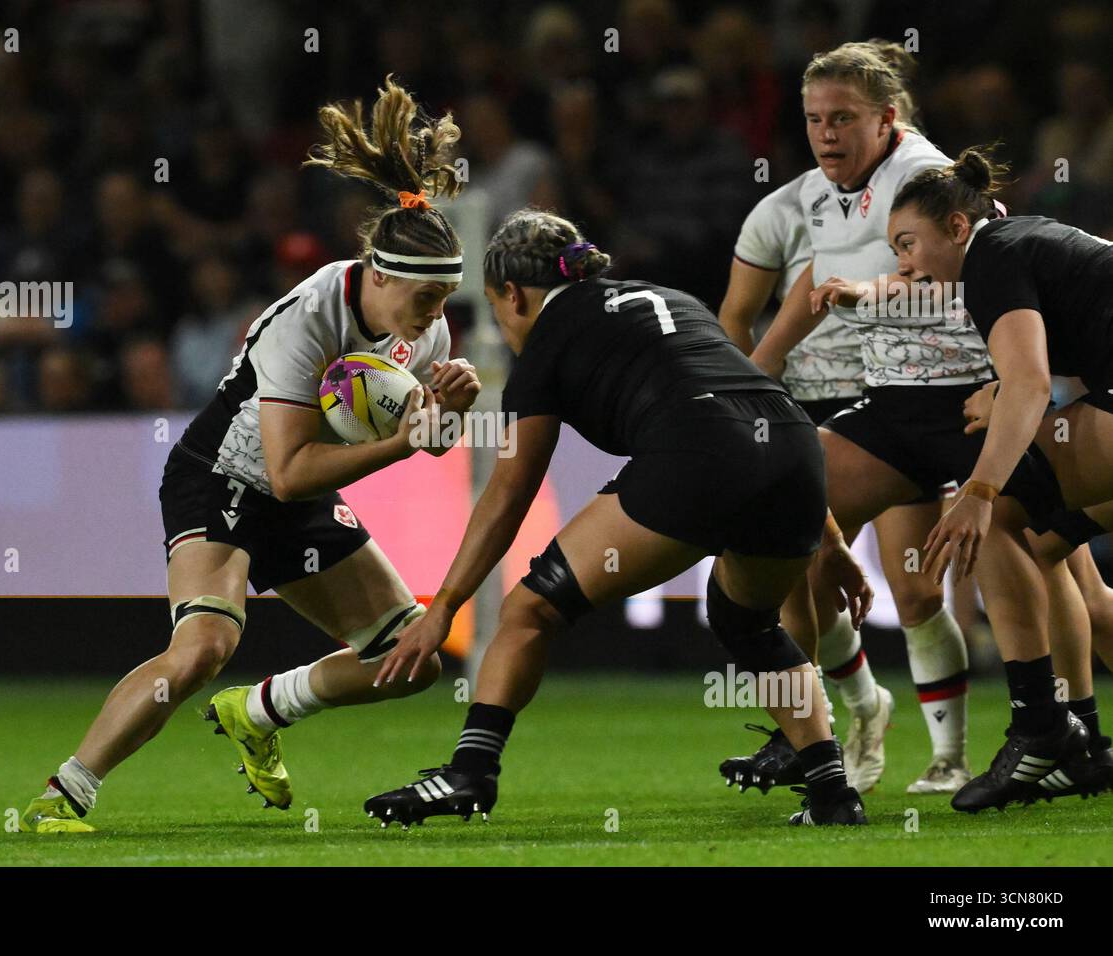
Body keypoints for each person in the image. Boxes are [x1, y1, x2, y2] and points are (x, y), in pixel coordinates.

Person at [19, 78, 482, 832]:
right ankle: (63, 792)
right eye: (428, 300)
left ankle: (260, 710)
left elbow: (398, 439)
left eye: (444, 303)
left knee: (413, 658)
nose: (437, 320)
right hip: (222, 477)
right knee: (204, 646)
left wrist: (443, 419)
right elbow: (292, 464)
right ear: (384, 274)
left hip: (294, 494)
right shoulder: (308, 319)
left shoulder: (423, 332)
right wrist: (406, 441)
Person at [363, 210, 874, 829]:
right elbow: (748, 404)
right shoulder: (671, 298)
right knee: (750, 623)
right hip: (795, 451)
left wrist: (444, 606)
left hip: (697, 453)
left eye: (497, 308)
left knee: (531, 611)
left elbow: (509, 490)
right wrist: (833, 541)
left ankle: (470, 773)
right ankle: (831, 790)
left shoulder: (548, 339)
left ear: (512, 294)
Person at [745, 42, 987, 794]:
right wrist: (765, 363)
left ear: (887, 119)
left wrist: (1013, 382)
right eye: (815, 119)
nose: (825, 134)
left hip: (954, 398)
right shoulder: (824, 189)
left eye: (842, 118)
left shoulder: (924, 177)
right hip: (878, 400)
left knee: (992, 585)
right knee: (792, 536)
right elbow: (818, 272)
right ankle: (835, 722)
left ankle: (1020, 736)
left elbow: (972, 270)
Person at [878, 148, 1113, 809]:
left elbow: (1030, 382)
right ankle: (1082, 743)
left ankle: (1043, 730)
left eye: (907, 243)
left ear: (956, 227)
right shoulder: (1022, 242)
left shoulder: (991, 260)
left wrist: (978, 493)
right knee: (1043, 546)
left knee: (1006, 515)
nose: (903, 263)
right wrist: (1010, 389)